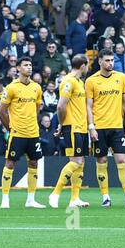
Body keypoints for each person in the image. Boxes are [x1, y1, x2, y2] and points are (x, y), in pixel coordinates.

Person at [86, 49, 125, 207]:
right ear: (100, 61)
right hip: (99, 127)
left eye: (112, 60)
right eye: (107, 60)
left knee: (122, 160)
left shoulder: (121, 77)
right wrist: (91, 127)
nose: (110, 63)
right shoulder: (91, 80)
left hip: (117, 127)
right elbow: (88, 106)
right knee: (101, 161)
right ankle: (105, 197)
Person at [0, 58, 44, 210]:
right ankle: (5, 199)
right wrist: (10, 128)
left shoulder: (37, 87)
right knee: (10, 163)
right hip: (17, 133)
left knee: (34, 163)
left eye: (30, 65)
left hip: (33, 133)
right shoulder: (11, 88)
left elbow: (37, 108)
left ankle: (31, 199)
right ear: (18, 68)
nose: (29, 67)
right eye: (25, 65)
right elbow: (1, 111)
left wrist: (33, 122)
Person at [48, 54, 89, 209]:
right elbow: (60, 106)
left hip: (81, 126)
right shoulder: (68, 81)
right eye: (87, 65)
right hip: (72, 126)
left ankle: (75, 198)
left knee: (81, 162)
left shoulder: (79, 82)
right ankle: (55, 193)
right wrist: (61, 124)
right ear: (83, 65)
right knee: (76, 162)